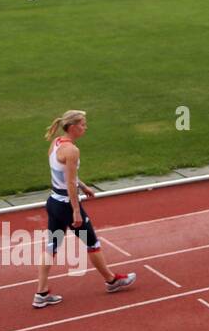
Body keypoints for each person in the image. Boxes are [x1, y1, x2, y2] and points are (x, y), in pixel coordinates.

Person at [34, 111, 136, 308]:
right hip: (66, 205)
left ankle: (41, 292)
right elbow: (70, 182)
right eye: (83, 124)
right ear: (73, 127)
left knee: (51, 246)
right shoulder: (72, 151)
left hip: (53, 202)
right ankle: (112, 281)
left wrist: (84, 186)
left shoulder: (56, 143)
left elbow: (63, 175)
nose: (85, 127)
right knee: (92, 243)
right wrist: (76, 210)